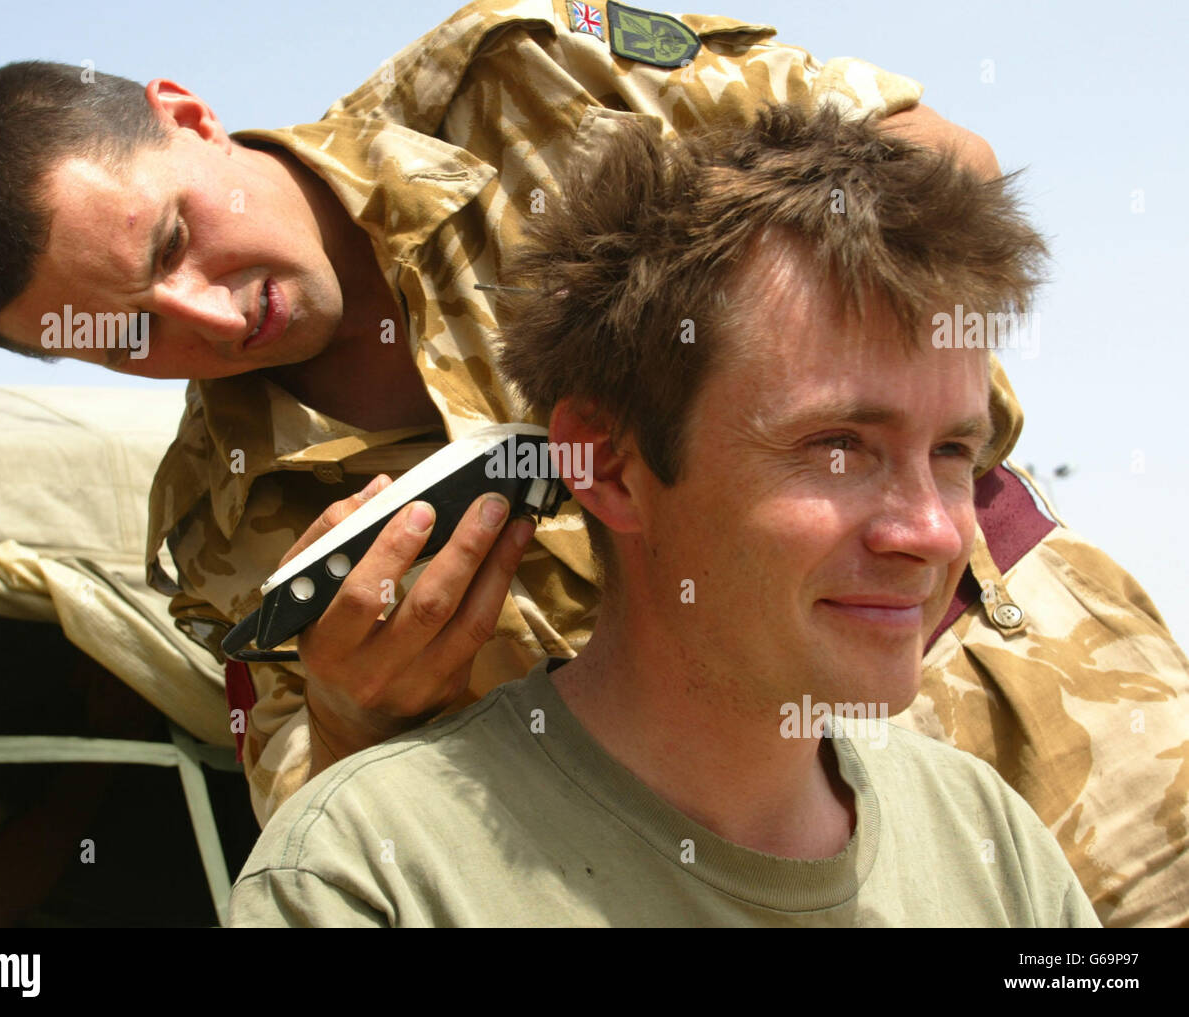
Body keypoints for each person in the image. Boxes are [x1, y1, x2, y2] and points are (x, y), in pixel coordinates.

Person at [0, 2, 1186, 925]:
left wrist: (728, 290)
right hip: (730, 864)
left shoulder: (524, 74)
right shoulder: (225, 520)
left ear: (185, 113)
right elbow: (332, 827)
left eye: (178, 236)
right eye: (125, 331)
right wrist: (357, 711)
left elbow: (945, 163)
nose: (211, 317)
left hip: (1046, 688)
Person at [228, 105, 1100, 926]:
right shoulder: (364, 876)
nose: (936, 533)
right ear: (607, 464)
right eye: (838, 447)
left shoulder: (993, 842)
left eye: (953, 453)